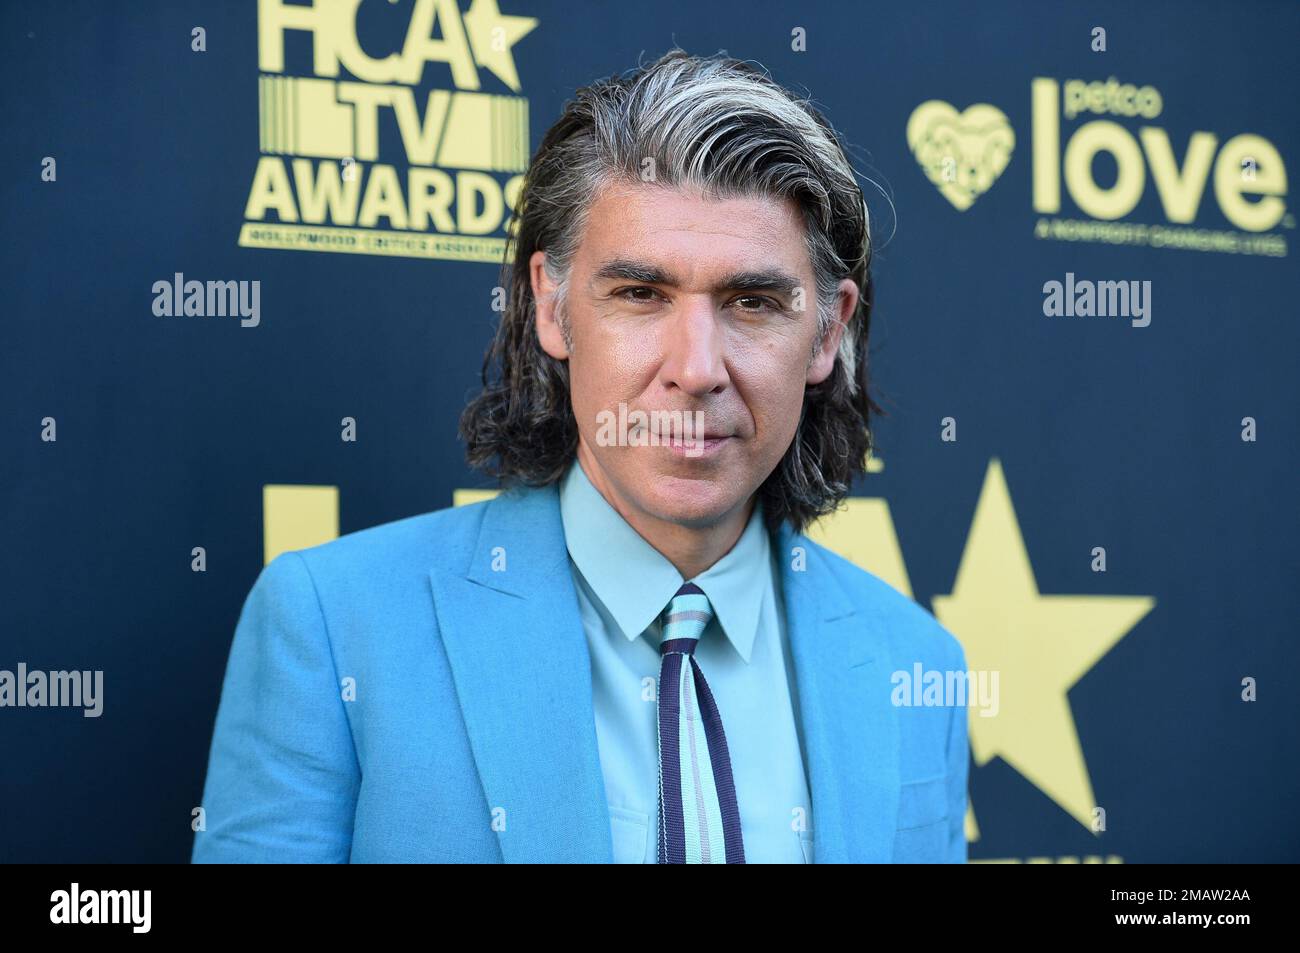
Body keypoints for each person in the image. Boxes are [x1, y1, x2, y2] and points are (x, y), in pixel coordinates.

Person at [192, 48, 968, 863]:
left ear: (827, 331)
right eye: (641, 294)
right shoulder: (332, 628)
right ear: (552, 308)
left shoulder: (914, 667)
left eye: (753, 301)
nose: (698, 368)